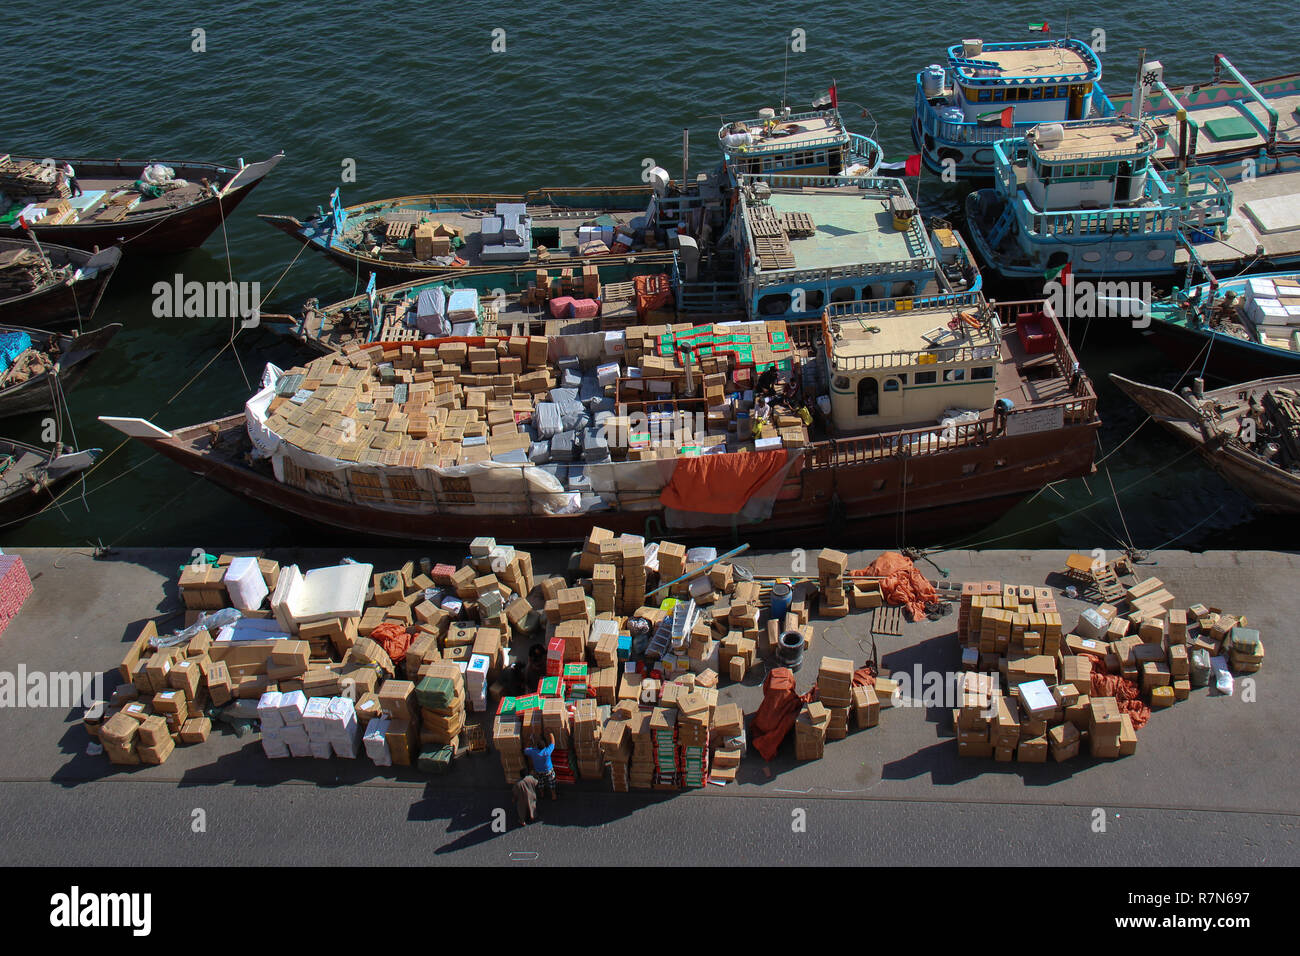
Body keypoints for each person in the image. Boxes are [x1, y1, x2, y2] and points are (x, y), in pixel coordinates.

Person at [523, 732, 558, 801]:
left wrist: (529, 739)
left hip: (538, 771)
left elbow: (525, 749)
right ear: (545, 746)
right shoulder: (547, 752)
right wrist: (551, 733)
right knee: (551, 782)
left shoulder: (533, 751)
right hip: (548, 770)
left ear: (537, 746)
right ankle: (553, 795)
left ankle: (542, 793)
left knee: (540, 782)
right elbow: (553, 742)